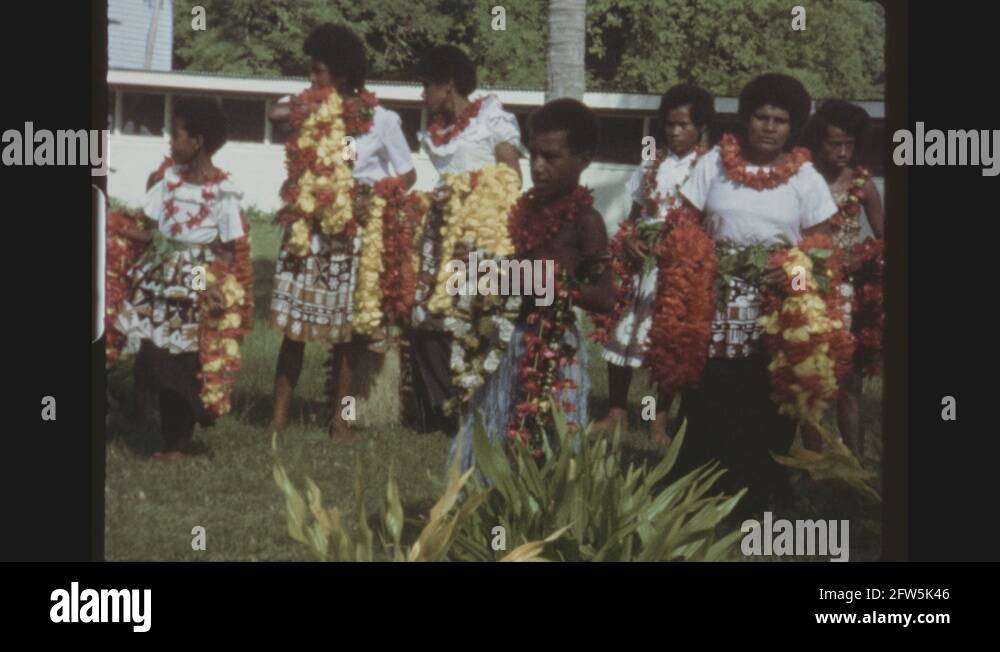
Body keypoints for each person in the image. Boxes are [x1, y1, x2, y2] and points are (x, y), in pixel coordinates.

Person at [674, 73, 839, 512]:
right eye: (761, 117)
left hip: (778, 307)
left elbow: (823, 260)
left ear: (793, 126)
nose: (769, 126)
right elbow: (683, 225)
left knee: (764, 397)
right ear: (746, 119)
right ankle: (700, 490)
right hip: (713, 301)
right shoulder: (712, 164)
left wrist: (792, 280)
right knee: (711, 392)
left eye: (780, 120)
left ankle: (760, 494)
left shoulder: (805, 178)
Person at [267, 24, 416, 438]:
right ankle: (277, 419)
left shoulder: (381, 120)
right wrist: (314, 102)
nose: (312, 77)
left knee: (349, 337)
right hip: (308, 233)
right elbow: (274, 113)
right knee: (293, 333)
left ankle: (340, 421)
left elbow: (408, 173)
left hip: (352, 236)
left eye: (318, 70)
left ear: (345, 74)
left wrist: (378, 193)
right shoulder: (309, 107)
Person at [450, 98, 614, 474]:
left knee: (549, 453)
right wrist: (470, 269)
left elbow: (605, 297)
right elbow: (508, 278)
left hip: (555, 351)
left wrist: (559, 286)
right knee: (495, 446)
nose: (538, 167)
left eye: (551, 157)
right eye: (533, 155)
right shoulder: (521, 210)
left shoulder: (586, 221)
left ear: (584, 159)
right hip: (508, 343)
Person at [114, 97, 249, 461]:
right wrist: (115, 229)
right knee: (155, 351)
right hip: (159, 273)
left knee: (183, 356)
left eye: (177, 135)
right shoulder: (170, 180)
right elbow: (156, 232)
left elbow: (227, 248)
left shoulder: (223, 190)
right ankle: (166, 429)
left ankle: (179, 439)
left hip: (193, 275)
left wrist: (215, 286)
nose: (170, 143)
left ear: (198, 141)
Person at [592, 83, 714, 444]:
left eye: (684, 125)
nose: (675, 132)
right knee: (624, 331)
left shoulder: (708, 165)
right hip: (640, 262)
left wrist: (680, 247)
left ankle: (658, 419)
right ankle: (616, 411)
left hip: (678, 265)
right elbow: (633, 214)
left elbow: (709, 220)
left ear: (701, 126)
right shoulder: (651, 163)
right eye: (670, 124)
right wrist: (629, 238)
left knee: (665, 339)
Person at [409, 44, 522, 432]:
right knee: (425, 316)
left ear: (449, 85)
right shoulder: (433, 133)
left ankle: (482, 405)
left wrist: (476, 209)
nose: (422, 94)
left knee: (476, 316)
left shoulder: (491, 117)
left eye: (427, 85)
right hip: (441, 229)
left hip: (483, 231)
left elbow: (512, 177)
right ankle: (444, 408)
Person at [801, 99, 884, 461]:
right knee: (809, 377)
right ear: (818, 143)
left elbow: (886, 239)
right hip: (807, 288)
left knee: (850, 382)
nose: (842, 151)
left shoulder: (863, 185)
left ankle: (856, 464)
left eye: (849, 144)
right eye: (835, 143)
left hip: (848, 292)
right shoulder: (801, 179)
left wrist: (862, 256)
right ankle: (813, 464)